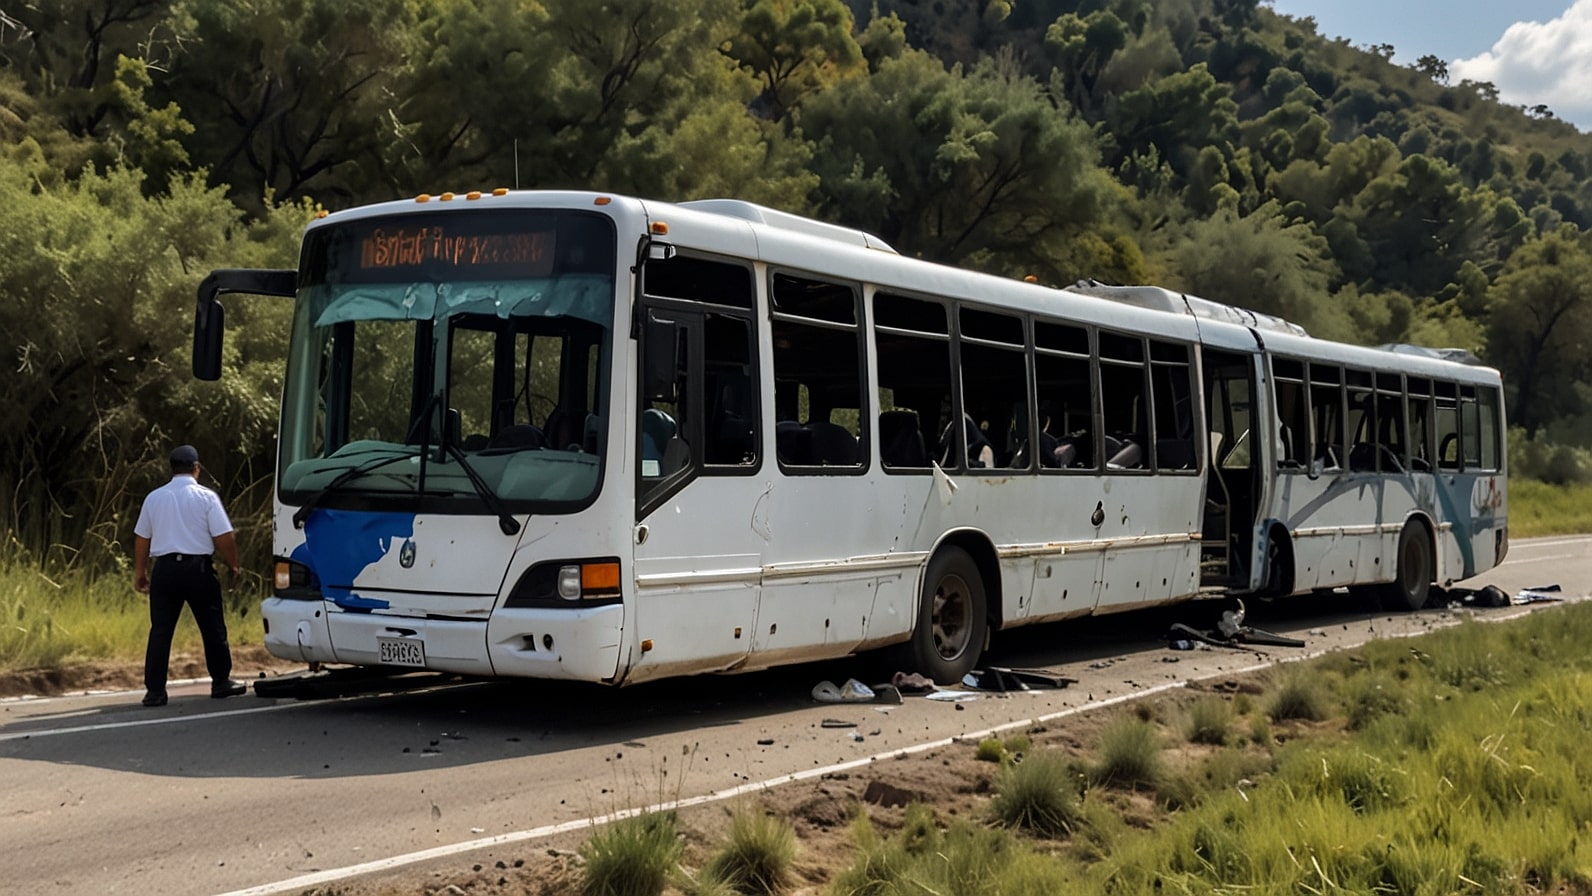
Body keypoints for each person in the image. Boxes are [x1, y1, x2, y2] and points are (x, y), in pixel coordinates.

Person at [132, 445, 246, 706]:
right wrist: (234, 566)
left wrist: (141, 572)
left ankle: (155, 691)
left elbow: (142, 537)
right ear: (197, 468)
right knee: (212, 626)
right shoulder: (206, 497)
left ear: (171, 469)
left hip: (165, 569)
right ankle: (220, 681)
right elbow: (224, 536)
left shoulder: (154, 498)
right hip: (198, 569)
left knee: (160, 630)